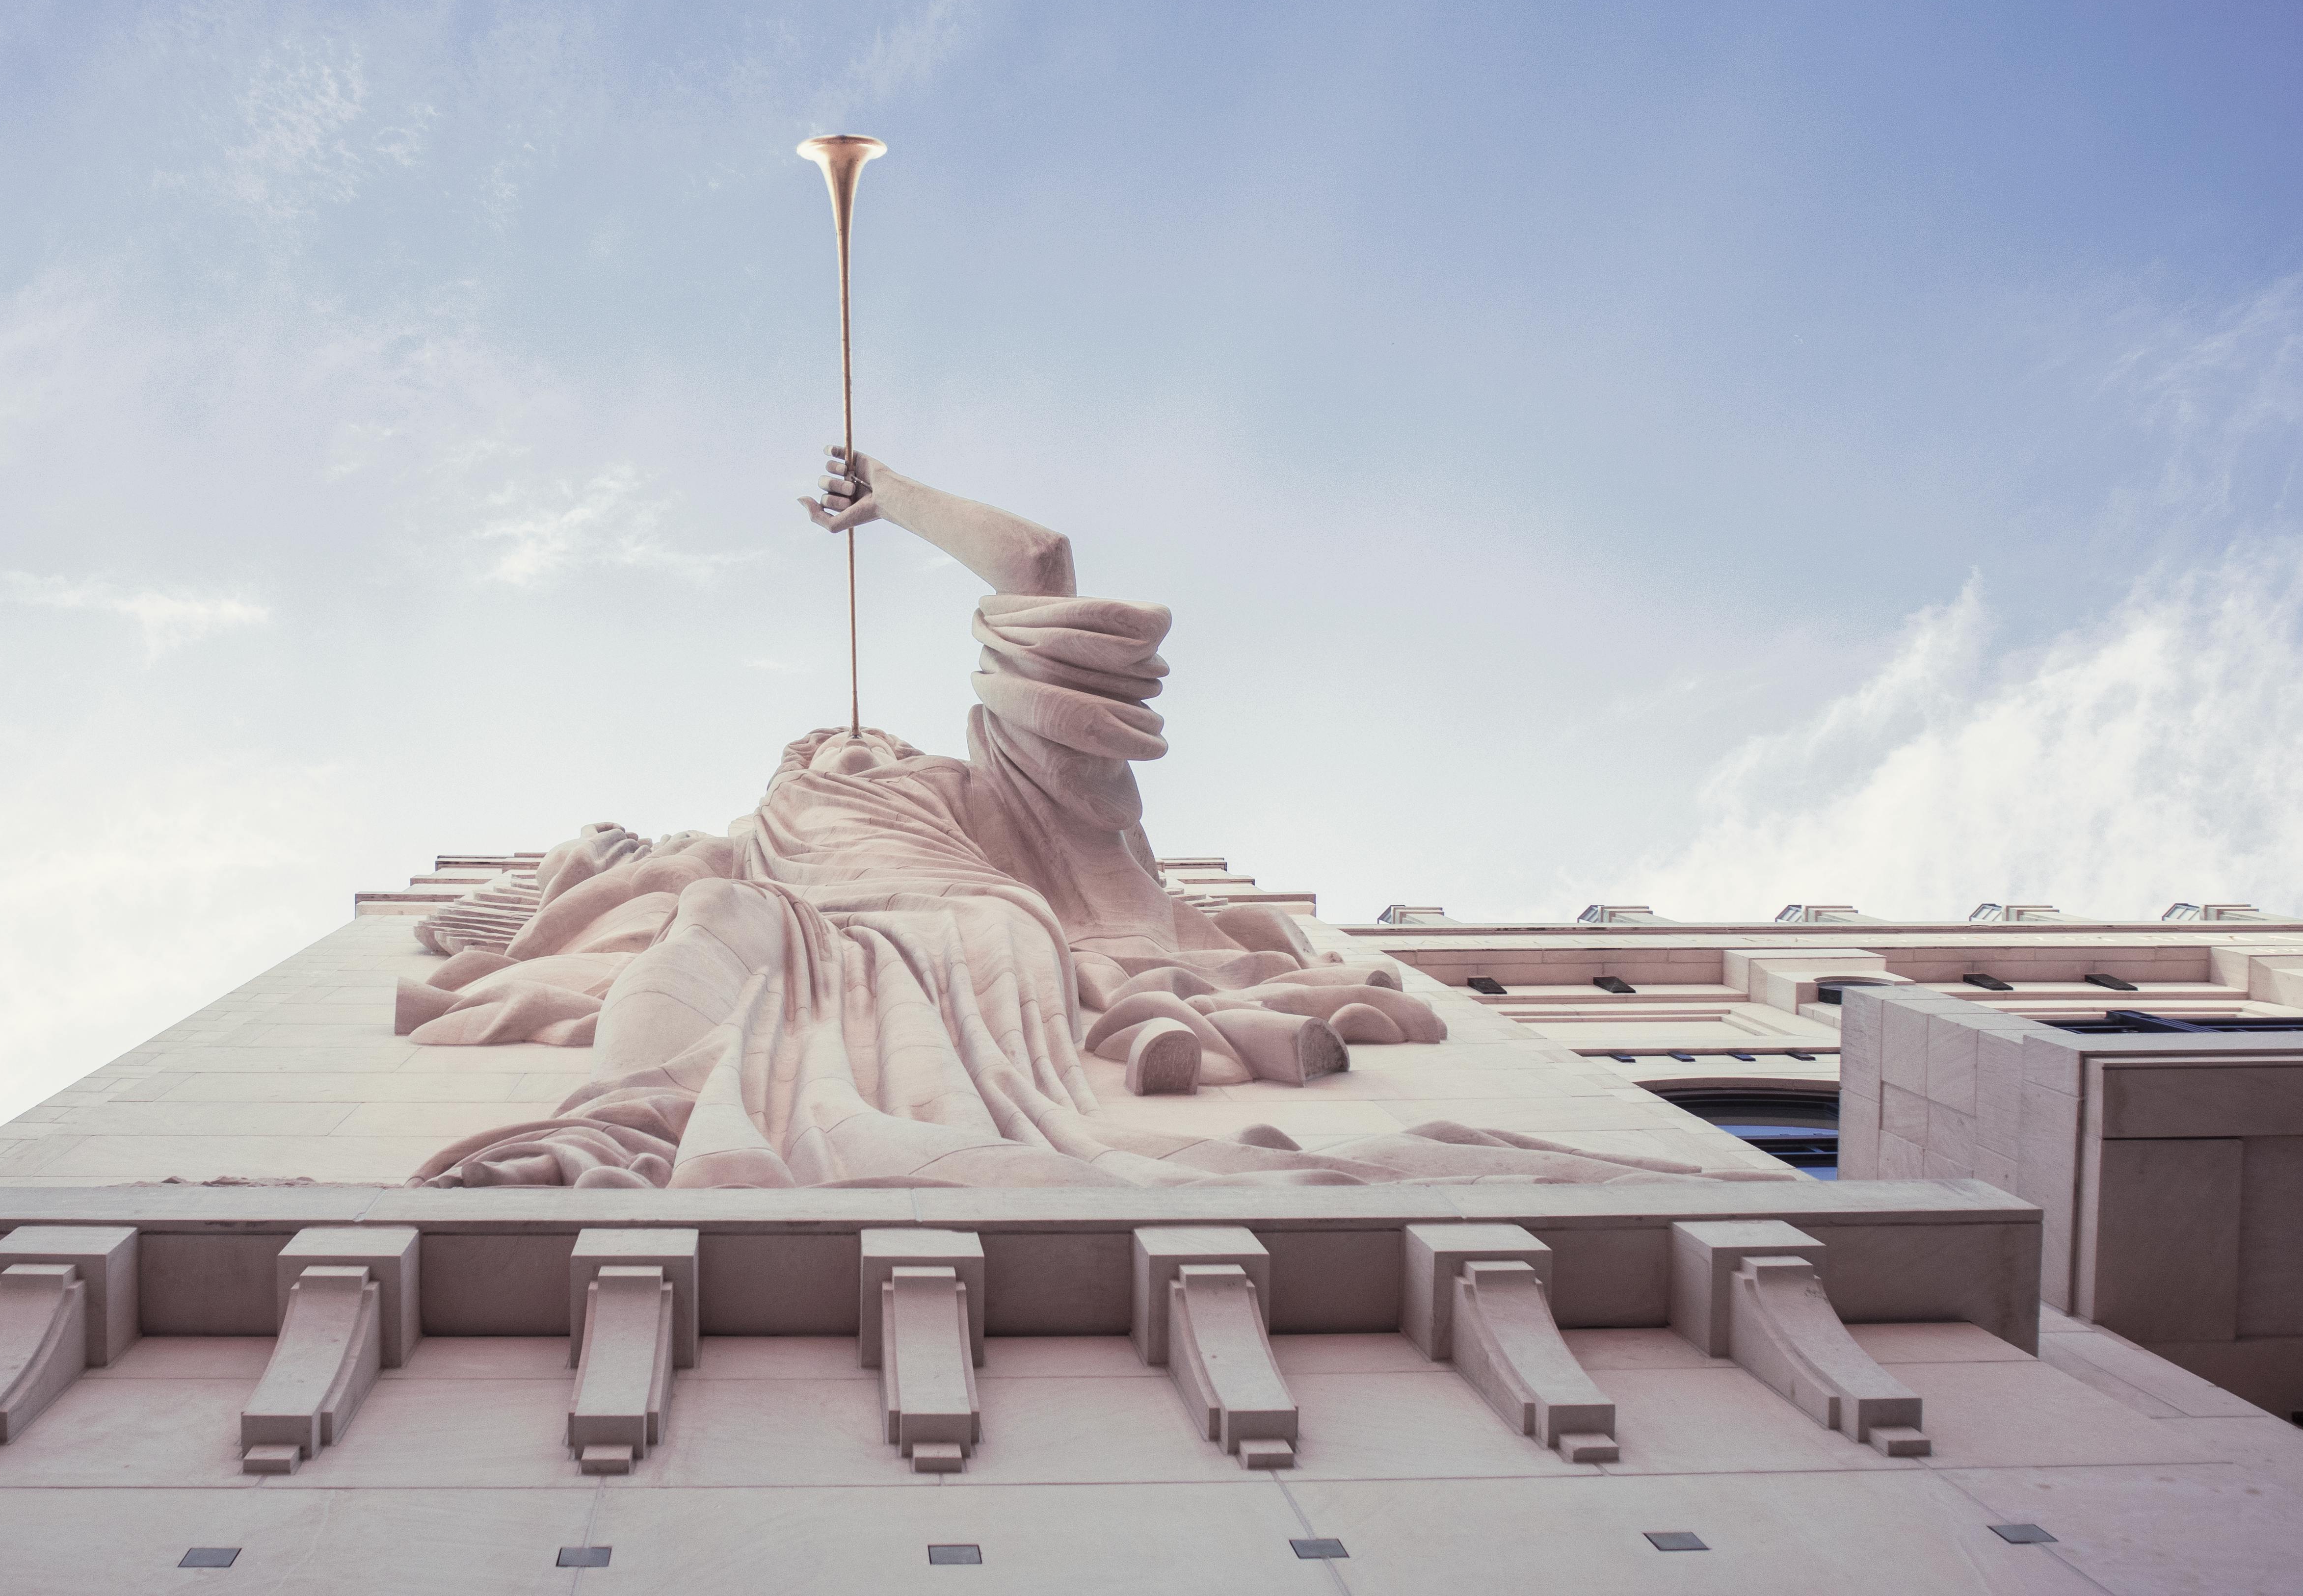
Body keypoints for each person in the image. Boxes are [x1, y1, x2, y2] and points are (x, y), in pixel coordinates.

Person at [402, 452, 1776, 1189]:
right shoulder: (738, 853)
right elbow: (572, 919)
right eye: (808, 745)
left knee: (736, 924)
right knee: (708, 907)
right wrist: (543, 898)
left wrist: (891, 496)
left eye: (862, 737)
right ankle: (636, 1131)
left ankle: (730, 1137)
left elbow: (1042, 566)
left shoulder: (981, 795)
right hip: (788, 931)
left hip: (961, 927)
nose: (834, 742)